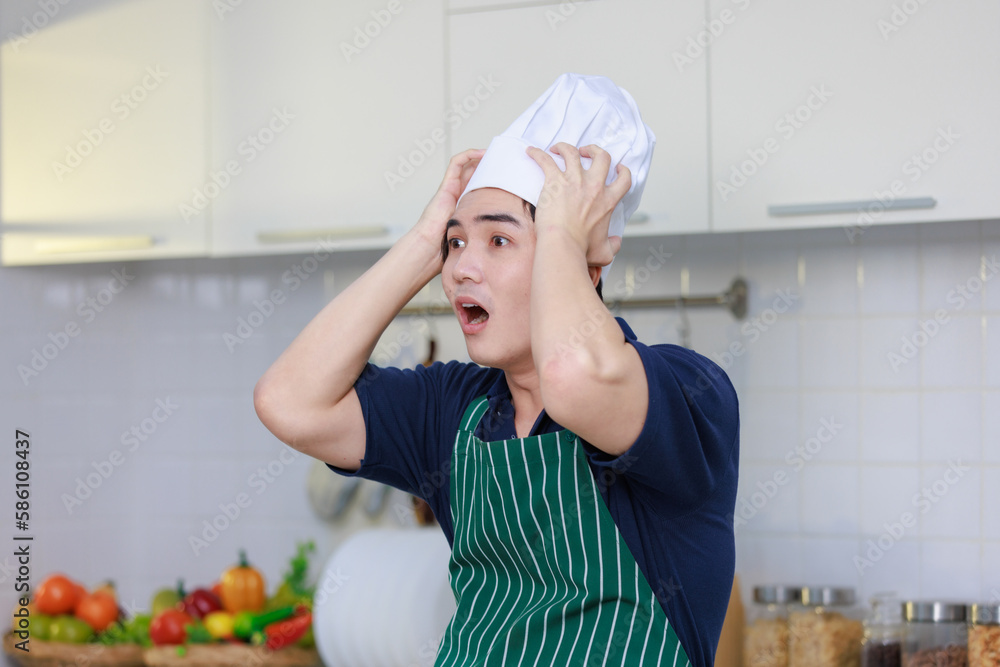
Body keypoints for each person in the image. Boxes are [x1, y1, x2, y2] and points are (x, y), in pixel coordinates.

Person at [255, 73, 739, 667]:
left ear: (591, 258)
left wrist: (565, 233)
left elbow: (572, 380)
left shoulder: (688, 396)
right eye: (456, 245)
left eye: (499, 242)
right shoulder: (458, 408)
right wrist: (420, 242)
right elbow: (289, 401)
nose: (461, 269)